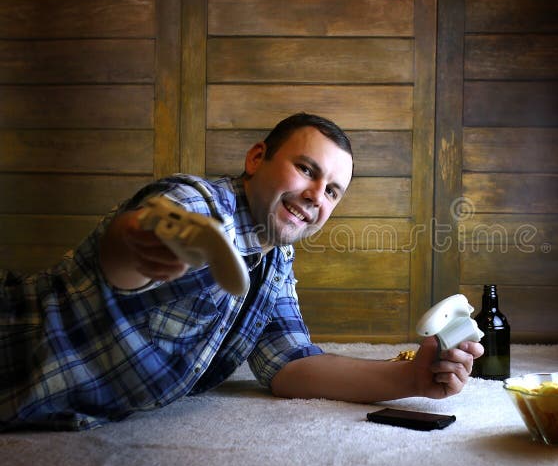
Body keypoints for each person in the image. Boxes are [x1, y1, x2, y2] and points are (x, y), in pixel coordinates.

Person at [0, 112, 483, 431]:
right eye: (306, 170)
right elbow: (138, 235)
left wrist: (412, 380)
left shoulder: (275, 262)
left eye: (333, 191)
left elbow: (291, 368)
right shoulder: (202, 205)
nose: (317, 196)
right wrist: (144, 238)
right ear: (257, 159)